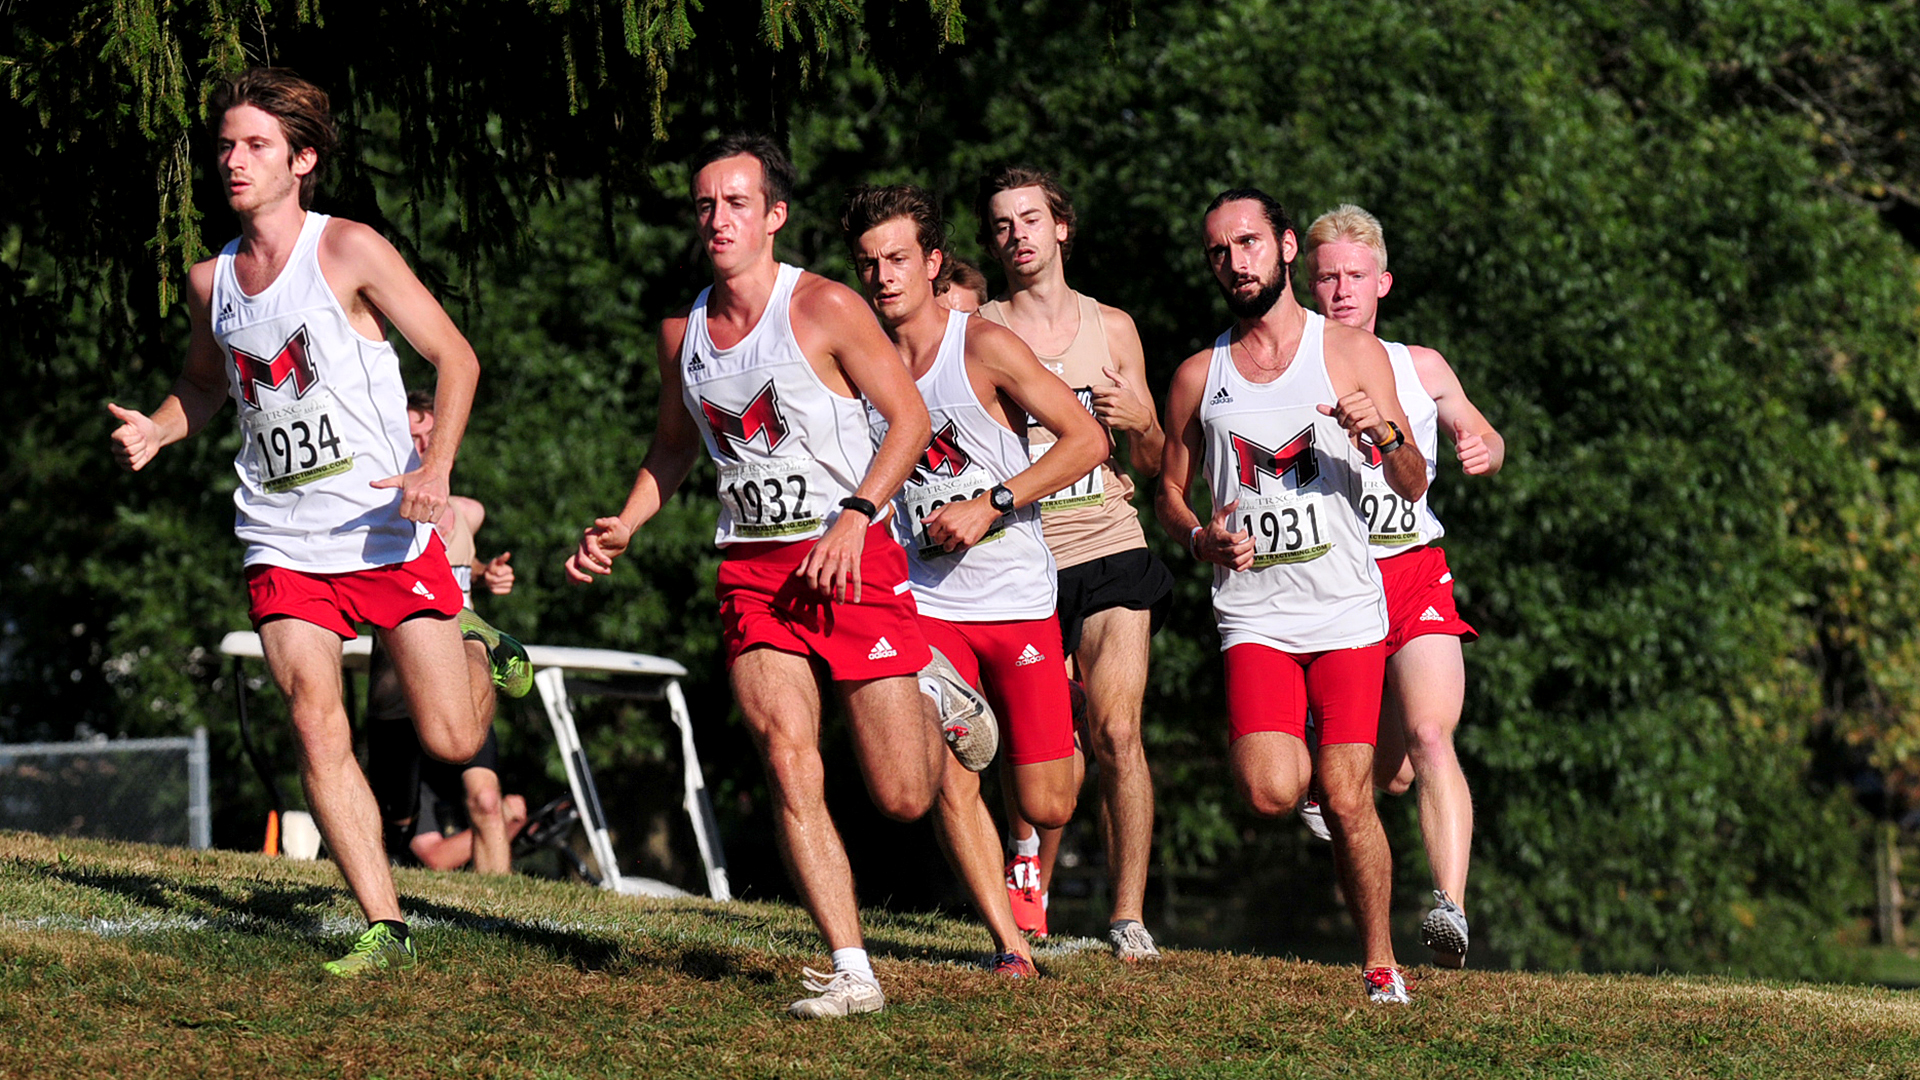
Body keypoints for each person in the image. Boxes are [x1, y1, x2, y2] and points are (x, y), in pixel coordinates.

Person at [106, 67, 530, 977]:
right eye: (225, 144)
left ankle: (475, 635)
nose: (234, 160)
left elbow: (456, 358)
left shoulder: (349, 252)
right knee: (313, 718)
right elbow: (205, 384)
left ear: (301, 159)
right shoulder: (210, 279)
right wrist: (159, 427)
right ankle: (386, 925)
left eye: (256, 145)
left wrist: (437, 467)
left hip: (382, 529)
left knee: (452, 740)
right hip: (280, 534)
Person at [566, 134, 987, 1019]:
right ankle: (852, 969)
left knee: (905, 796)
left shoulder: (825, 306)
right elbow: (675, 447)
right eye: (706, 205)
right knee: (789, 762)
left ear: (774, 216)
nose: (718, 219)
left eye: (737, 203)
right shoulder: (681, 333)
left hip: (851, 555)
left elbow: (908, 421)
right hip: (754, 573)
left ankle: (928, 686)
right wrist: (626, 523)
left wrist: (856, 513)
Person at [1156, 188, 1425, 1004]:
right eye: (1218, 252)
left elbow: (1410, 483)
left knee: (1349, 796)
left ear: (1281, 247)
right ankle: (1310, 775)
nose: (1234, 263)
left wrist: (1377, 430)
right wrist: (1199, 537)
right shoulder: (1200, 375)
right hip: (1255, 614)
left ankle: (1380, 964)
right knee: (1273, 789)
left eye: (1247, 244)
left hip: (1345, 607)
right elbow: (1168, 492)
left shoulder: (1346, 351)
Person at [842, 183, 1108, 976]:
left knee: (1048, 802)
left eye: (897, 259)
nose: (883, 277)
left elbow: (1086, 440)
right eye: (868, 264)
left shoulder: (983, 345)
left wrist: (992, 504)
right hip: (923, 603)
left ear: (932, 264)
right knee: (954, 779)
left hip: (1017, 595)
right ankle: (1009, 945)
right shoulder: (856, 365)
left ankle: (1047, 729)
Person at [976, 165, 1172, 958]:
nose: (1016, 235)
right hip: (1019, 552)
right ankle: (1027, 875)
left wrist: (1143, 423)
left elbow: (1156, 462)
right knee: (1034, 742)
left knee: (1117, 729)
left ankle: (1128, 918)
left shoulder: (1114, 327)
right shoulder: (977, 328)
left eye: (1030, 219)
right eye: (1000, 225)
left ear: (1062, 227)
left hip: (1108, 538)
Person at [1306, 204, 1504, 968]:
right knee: (1382, 776)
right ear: (1307, 284)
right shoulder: (1286, 372)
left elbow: (1485, 434)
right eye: (1326, 277)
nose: (1342, 290)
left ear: (1382, 282)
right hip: (1333, 585)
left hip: (1414, 567)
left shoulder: (1420, 366)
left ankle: (1449, 909)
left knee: (1430, 736)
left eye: (1356, 276)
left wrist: (1483, 446)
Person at [365, 389, 522, 875]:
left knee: (488, 801)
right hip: (400, 684)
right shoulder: (379, 514)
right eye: (411, 435)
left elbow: (460, 563)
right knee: (397, 822)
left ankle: (502, 910)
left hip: (459, 668)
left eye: (430, 434)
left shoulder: (468, 512)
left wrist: (483, 573)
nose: (422, 444)